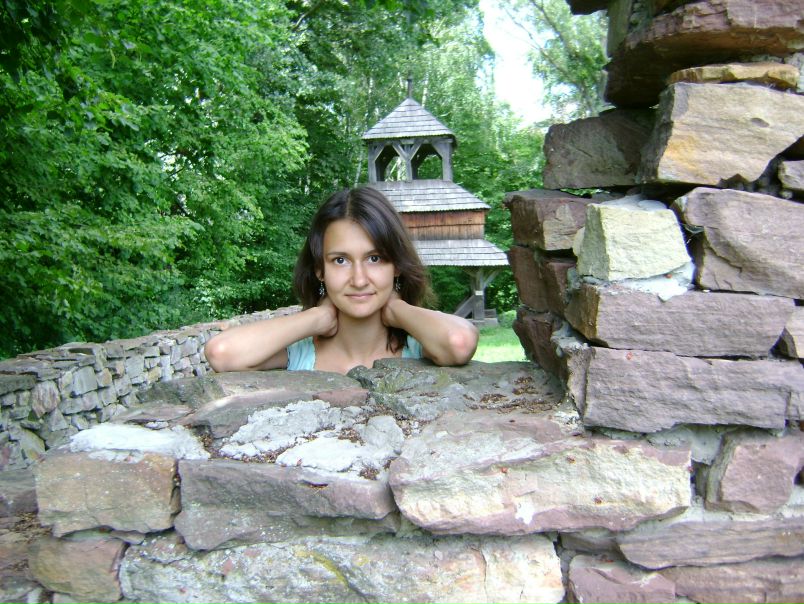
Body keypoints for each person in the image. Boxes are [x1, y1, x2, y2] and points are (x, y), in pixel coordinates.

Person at [204, 186, 478, 375]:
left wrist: (397, 309)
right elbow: (222, 352)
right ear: (319, 270)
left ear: (396, 266)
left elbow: (459, 342)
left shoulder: (418, 346)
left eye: (375, 258)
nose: (358, 279)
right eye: (340, 260)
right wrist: (318, 317)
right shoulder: (301, 353)